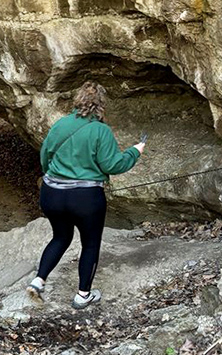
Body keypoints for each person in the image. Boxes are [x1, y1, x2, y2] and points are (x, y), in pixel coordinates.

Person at [27, 81, 146, 310]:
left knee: (60, 237)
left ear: (78, 101)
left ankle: (38, 280)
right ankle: (83, 295)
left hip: (52, 193)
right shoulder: (101, 131)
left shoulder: (61, 125)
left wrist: (53, 176)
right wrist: (135, 151)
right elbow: (113, 164)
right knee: (90, 244)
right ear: (101, 106)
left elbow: (45, 156)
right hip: (85, 198)